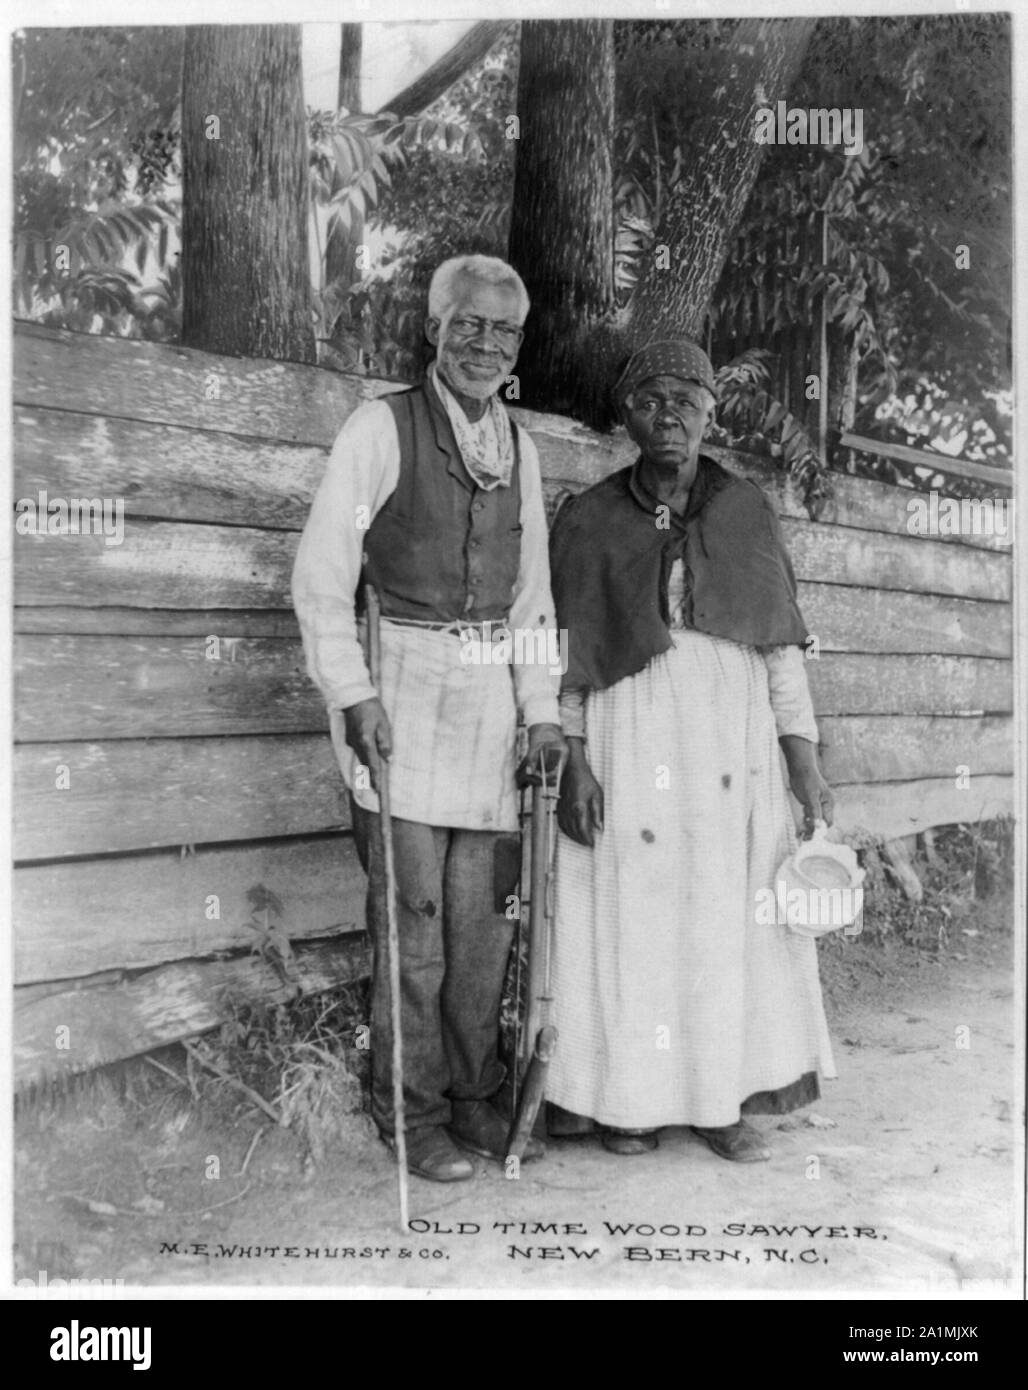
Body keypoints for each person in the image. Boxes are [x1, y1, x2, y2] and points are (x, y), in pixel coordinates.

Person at [292, 255, 565, 1182]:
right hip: (400, 682)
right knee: (412, 928)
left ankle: (473, 1095)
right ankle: (406, 1110)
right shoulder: (381, 426)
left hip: (490, 695)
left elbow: (531, 601)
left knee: (483, 925)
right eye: (469, 326)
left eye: (504, 332)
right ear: (434, 331)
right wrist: (353, 696)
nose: (486, 345)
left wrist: (541, 714)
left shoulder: (519, 449)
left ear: (517, 345)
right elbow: (322, 582)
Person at [547, 339, 837, 1161]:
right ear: (624, 416)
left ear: (712, 411)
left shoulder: (745, 509)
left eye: (687, 398)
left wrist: (803, 759)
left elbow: (781, 650)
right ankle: (629, 1103)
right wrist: (573, 755)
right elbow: (567, 660)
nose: (669, 412)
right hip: (627, 733)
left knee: (720, 915)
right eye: (650, 398)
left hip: (729, 740)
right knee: (631, 913)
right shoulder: (591, 518)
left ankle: (718, 1101)